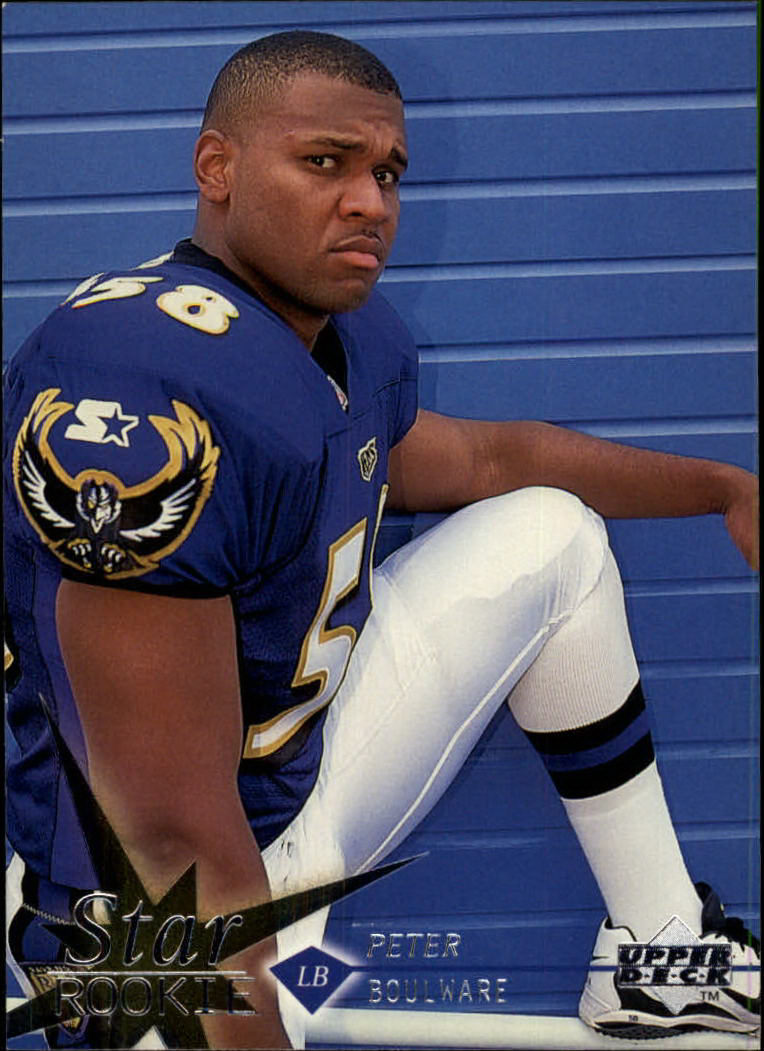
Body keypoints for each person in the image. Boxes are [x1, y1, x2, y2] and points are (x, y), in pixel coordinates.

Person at [4, 29, 759, 1051]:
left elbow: (487, 459)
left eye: (387, 173)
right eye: (325, 162)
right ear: (217, 167)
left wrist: (724, 489)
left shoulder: (331, 332)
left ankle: (660, 951)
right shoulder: (136, 383)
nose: (370, 202)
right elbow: (172, 841)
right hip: (144, 913)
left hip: (286, 801)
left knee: (552, 538)